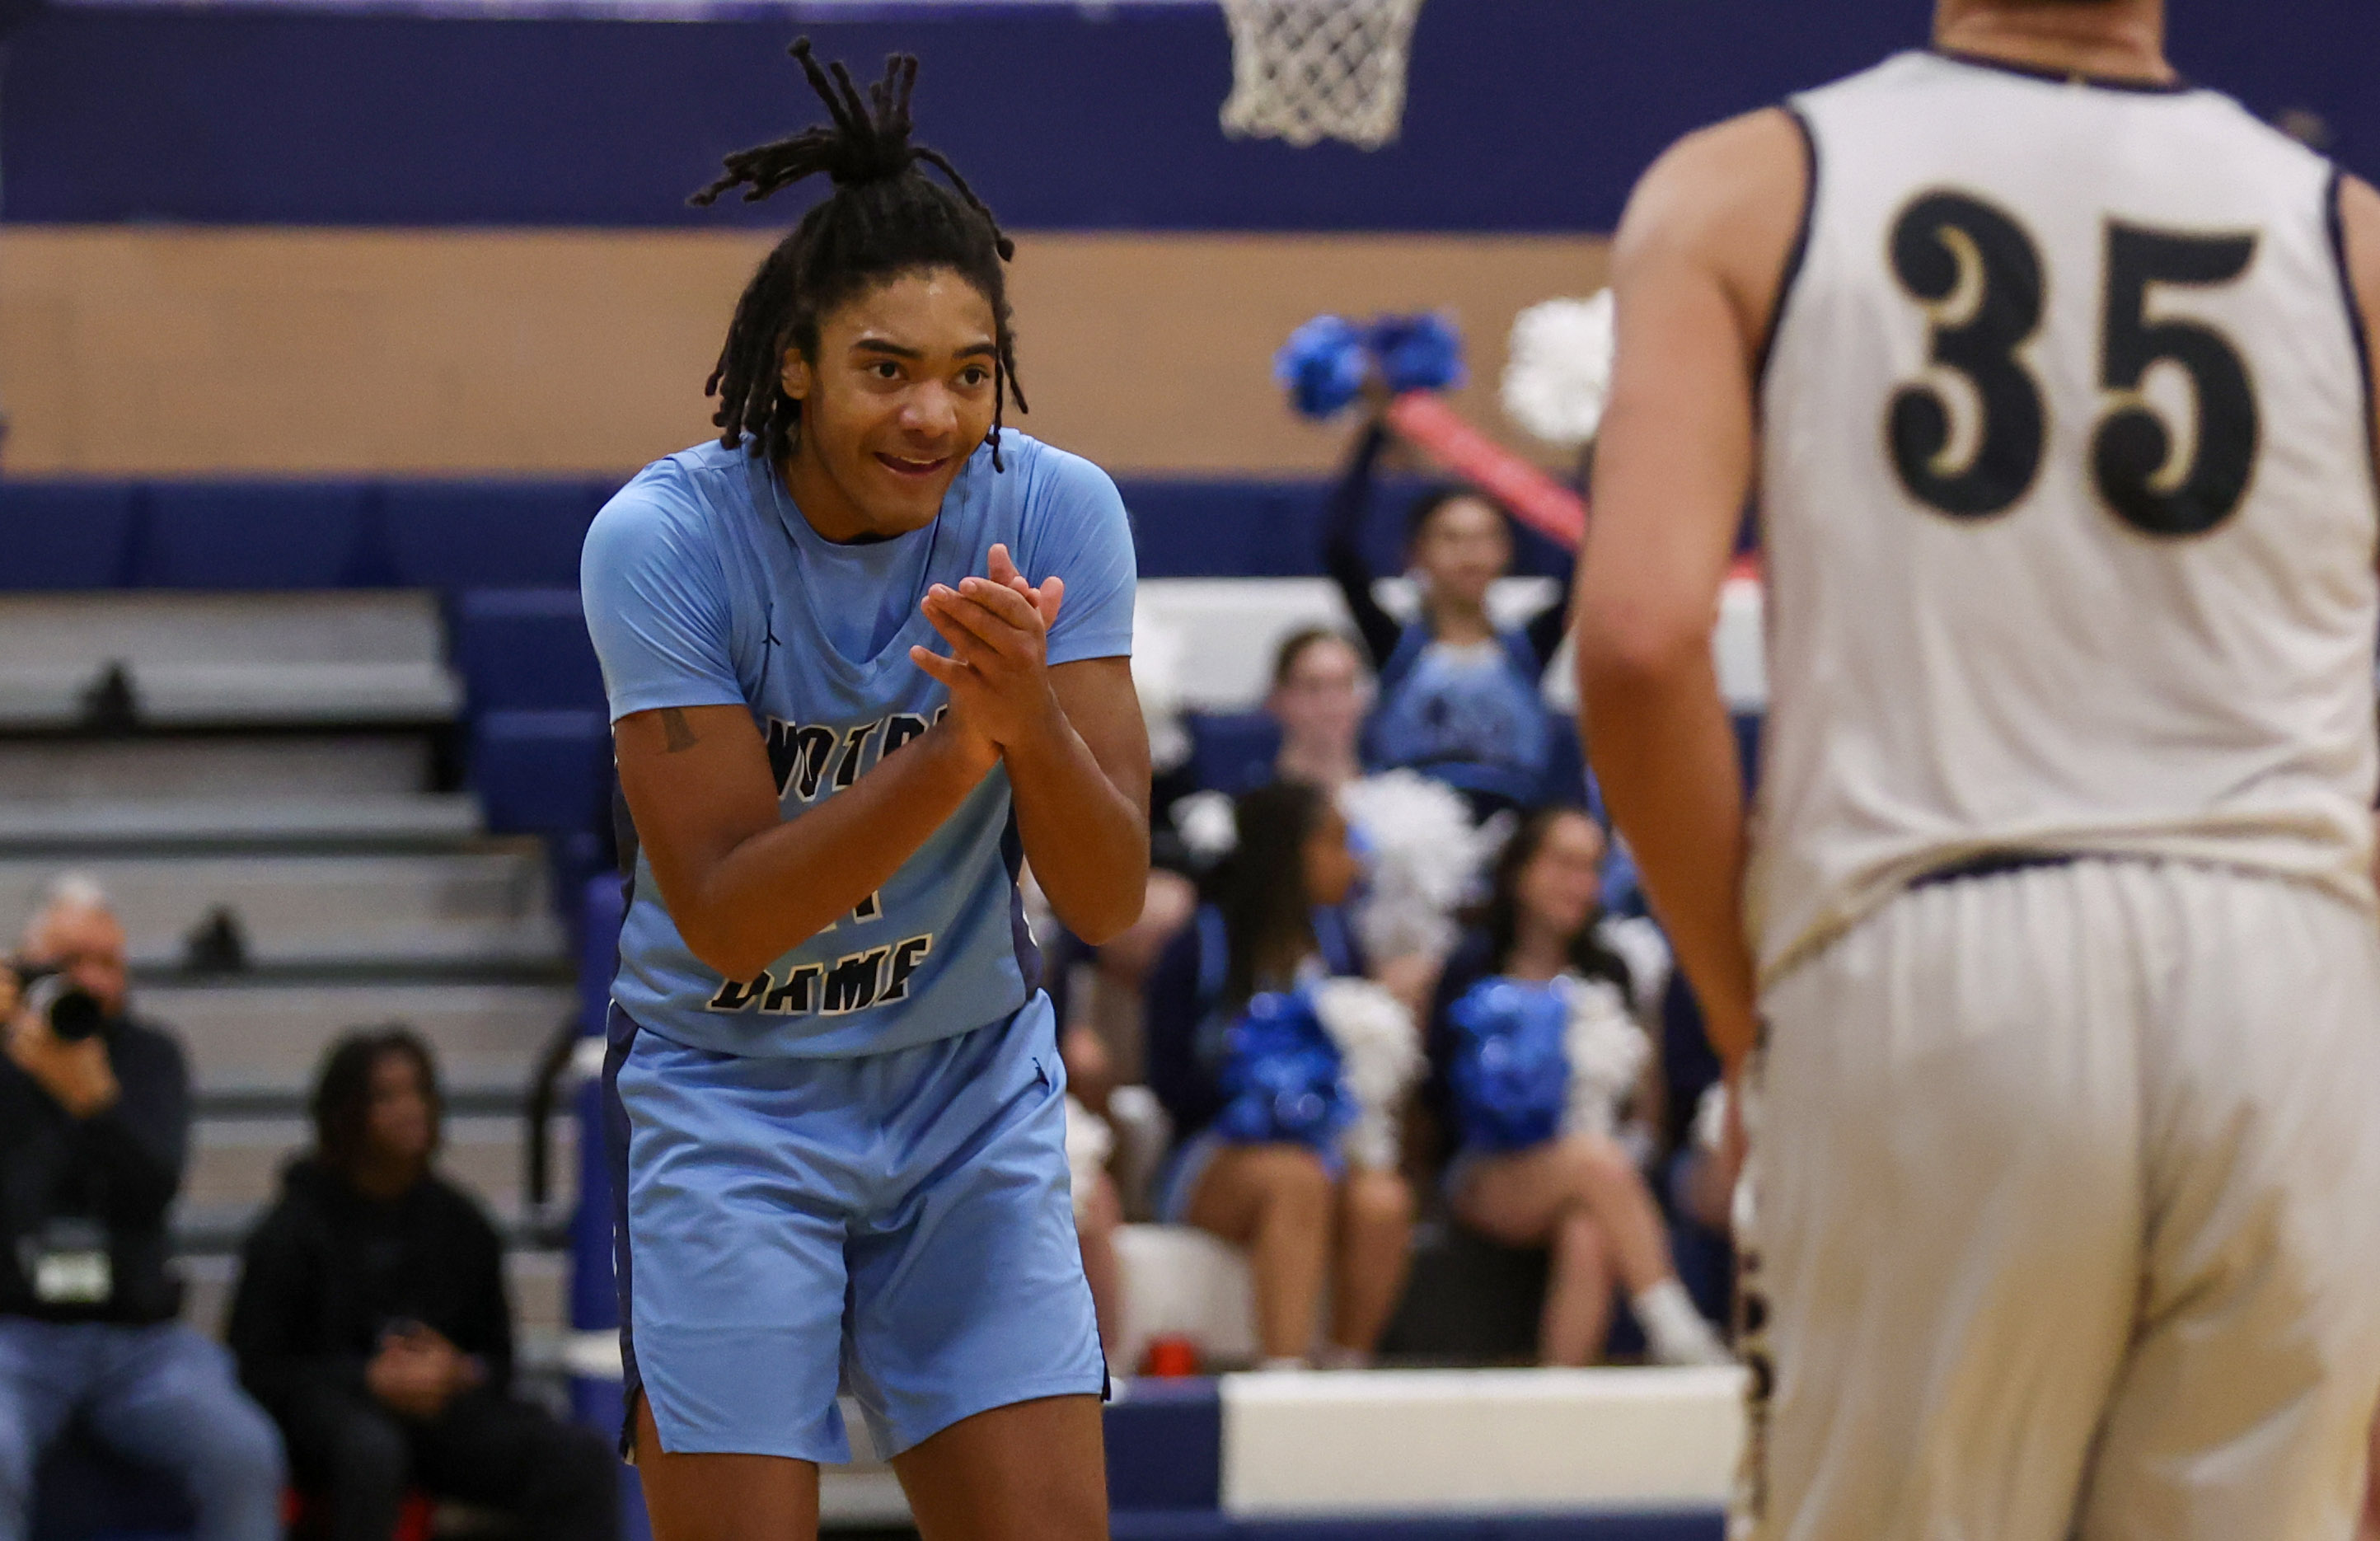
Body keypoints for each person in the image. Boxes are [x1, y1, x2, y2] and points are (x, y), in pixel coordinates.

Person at [1576, 1, 2380, 1535]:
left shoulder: (1750, 183)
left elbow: (1633, 639)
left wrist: (1755, 1014)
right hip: (2287, 972)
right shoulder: (2340, 231)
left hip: (1931, 953)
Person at [578, 40, 1145, 1541]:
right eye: (885, 371)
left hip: (966, 1092)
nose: (931, 418)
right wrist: (961, 749)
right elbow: (725, 919)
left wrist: (1031, 724)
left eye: (968, 377)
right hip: (730, 1099)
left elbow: (1105, 893)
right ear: (794, 363)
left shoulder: (1052, 510)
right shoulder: (665, 542)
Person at [227, 1028, 618, 1541]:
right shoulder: (289, 1231)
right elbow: (257, 1371)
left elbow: (499, 1361)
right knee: (371, 1449)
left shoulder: (461, 1223)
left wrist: (458, 1371)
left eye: (419, 1092)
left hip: (439, 1415)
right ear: (344, 1113)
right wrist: (367, 1380)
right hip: (330, 1420)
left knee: (578, 1457)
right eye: (387, 1096)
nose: (410, 1109)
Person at [0, 877, 285, 1541]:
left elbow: (155, 1188)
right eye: (71, 963)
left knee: (243, 1451)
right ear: (26, 968)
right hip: (12, 1333)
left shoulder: (150, 1057)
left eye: (110, 963)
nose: (93, 982)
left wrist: (96, 1106)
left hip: (138, 1342)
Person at [1428, 807, 1727, 1368]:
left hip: (1591, 1170)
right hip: (1487, 1171)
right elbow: (1440, 1098)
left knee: (1589, 1229)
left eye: (1592, 868)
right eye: (1563, 864)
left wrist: (1635, 1136)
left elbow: (1645, 1097)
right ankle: (1678, 1332)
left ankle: (1558, 1399)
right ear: (1520, 871)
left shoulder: (1610, 970)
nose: (1579, 884)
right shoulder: (1471, 967)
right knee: (1596, 1165)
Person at [1144, 782, 1414, 1370]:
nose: (1354, 861)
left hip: (1323, 1148)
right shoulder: (1203, 944)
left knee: (1383, 1202)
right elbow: (1168, 1082)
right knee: (1298, 1181)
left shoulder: (1340, 944)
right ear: (1288, 850)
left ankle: (1345, 1370)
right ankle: (1285, 1386)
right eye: (1337, 843)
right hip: (1213, 1152)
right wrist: (1261, 1090)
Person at [1322, 417, 1568, 820]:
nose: (1469, 555)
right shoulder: (1399, 649)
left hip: (1511, 839)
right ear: (1416, 553)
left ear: (1506, 552)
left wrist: (1603, 449)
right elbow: (1338, 548)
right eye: (1451, 538)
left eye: (1484, 538)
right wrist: (1379, 429)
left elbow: (1586, 560)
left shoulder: (1526, 652)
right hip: (1417, 840)